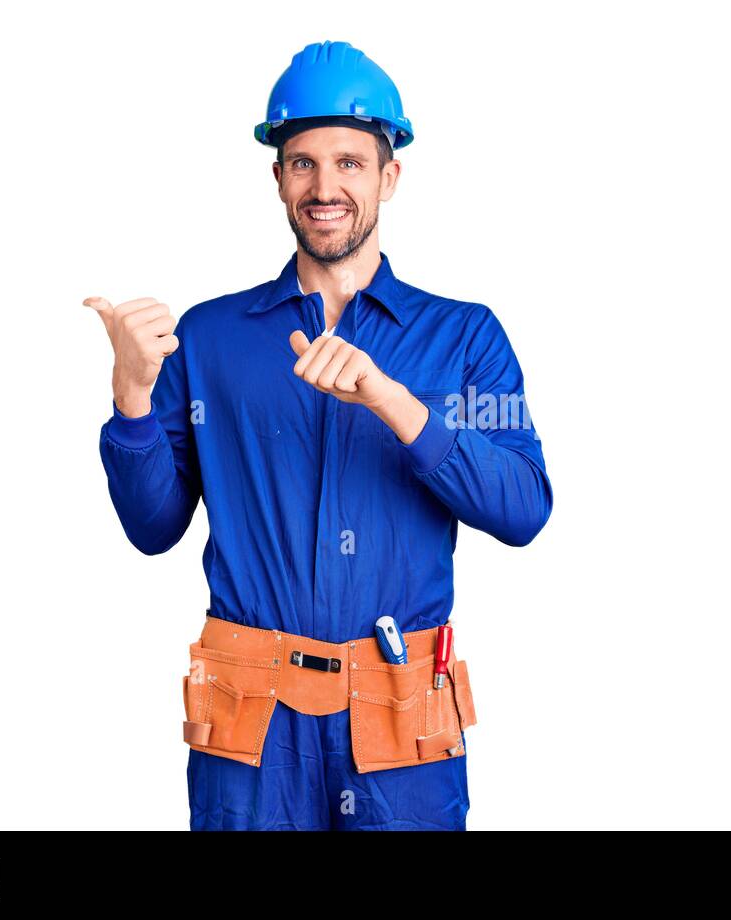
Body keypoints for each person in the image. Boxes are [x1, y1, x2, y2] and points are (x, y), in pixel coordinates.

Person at [83, 40, 552, 830]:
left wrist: (393, 401)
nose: (325, 186)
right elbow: (152, 529)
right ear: (277, 178)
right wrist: (132, 395)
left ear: (389, 175)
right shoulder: (209, 337)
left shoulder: (465, 337)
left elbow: (523, 509)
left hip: (401, 730)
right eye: (302, 163)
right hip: (252, 729)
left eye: (349, 162)